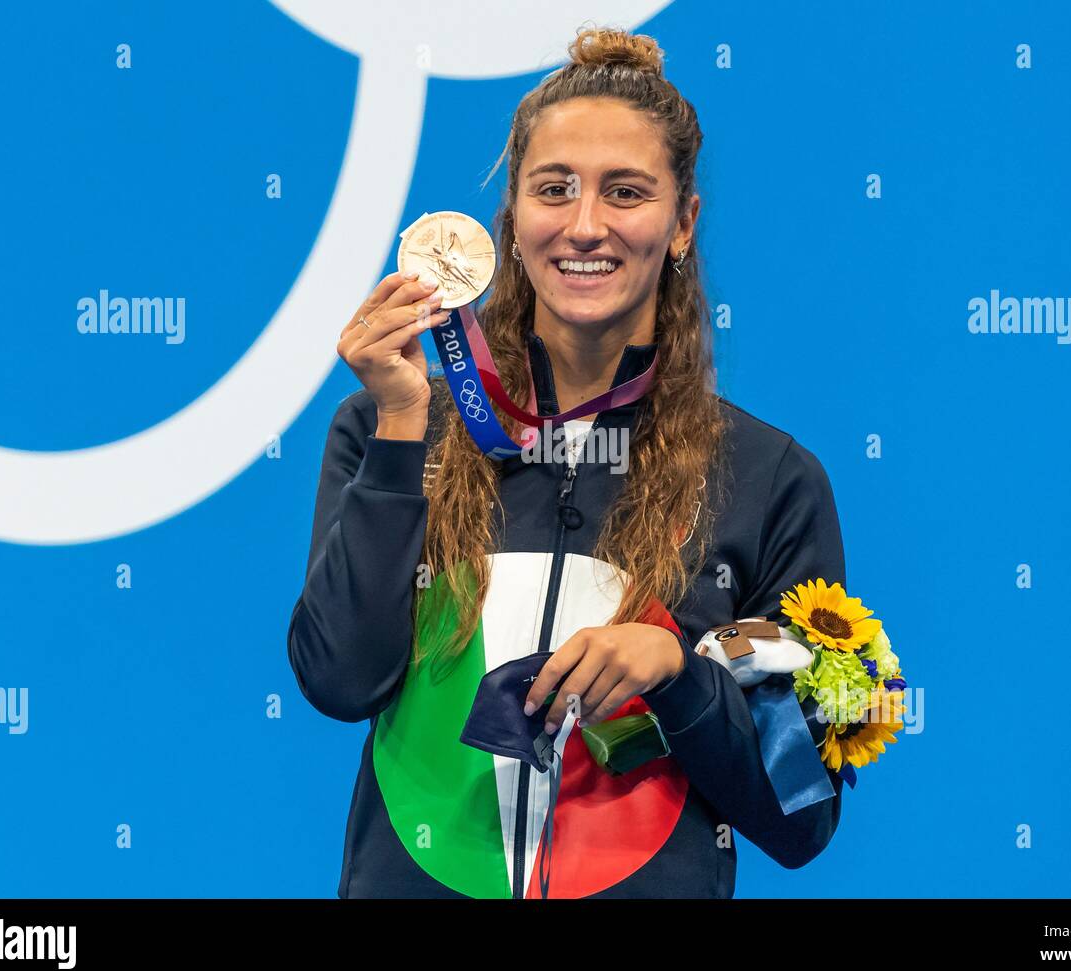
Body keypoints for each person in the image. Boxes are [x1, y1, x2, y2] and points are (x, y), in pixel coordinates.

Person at [287, 26, 847, 899]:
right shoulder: (393, 425)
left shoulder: (770, 477)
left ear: (683, 222)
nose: (586, 225)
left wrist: (681, 673)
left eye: (627, 192)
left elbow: (800, 814)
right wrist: (403, 424)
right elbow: (339, 679)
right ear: (512, 218)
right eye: (556, 189)